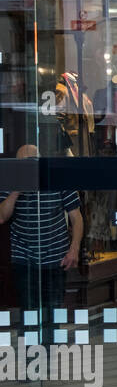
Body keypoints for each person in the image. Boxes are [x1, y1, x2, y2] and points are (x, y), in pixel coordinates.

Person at [0, 145, 82, 344]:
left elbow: (76, 218)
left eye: (31, 164)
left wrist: (74, 249)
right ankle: (30, 366)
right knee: (29, 314)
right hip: (24, 259)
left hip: (55, 258)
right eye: (23, 165)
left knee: (53, 314)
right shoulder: (9, 181)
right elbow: (2, 216)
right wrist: (18, 189)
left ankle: (48, 360)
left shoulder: (57, 178)